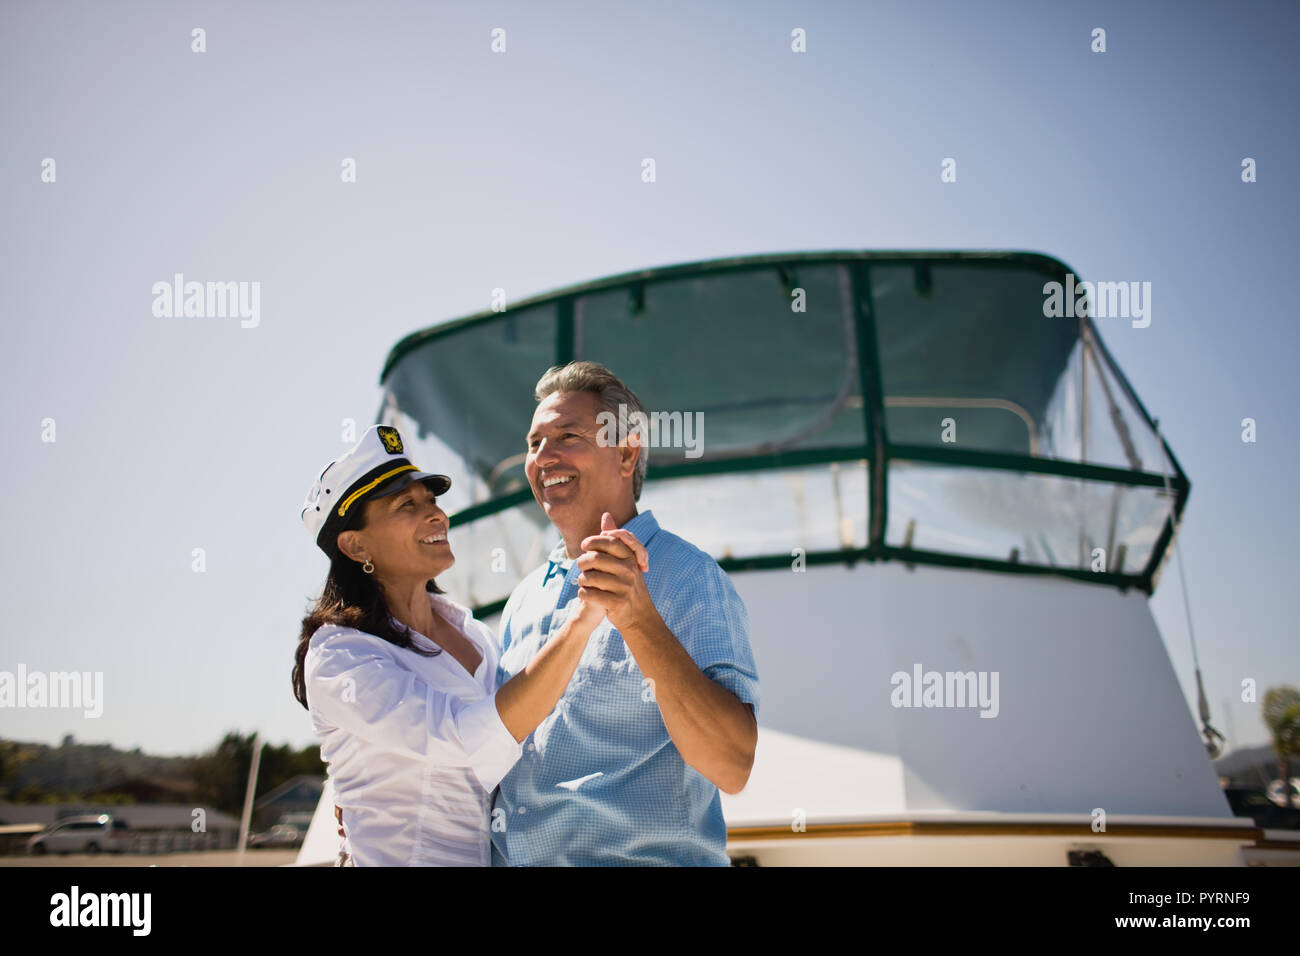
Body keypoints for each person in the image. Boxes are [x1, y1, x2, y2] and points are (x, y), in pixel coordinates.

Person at [292, 423, 645, 866]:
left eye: (432, 500)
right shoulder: (340, 655)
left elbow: (519, 751)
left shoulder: (475, 634)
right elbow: (465, 741)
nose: (438, 515)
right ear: (355, 544)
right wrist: (583, 619)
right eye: (407, 504)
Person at [491, 361, 760, 866]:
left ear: (627, 451)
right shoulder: (522, 600)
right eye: (533, 443)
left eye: (567, 436)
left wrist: (639, 621)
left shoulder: (689, 577)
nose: (543, 458)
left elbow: (732, 765)